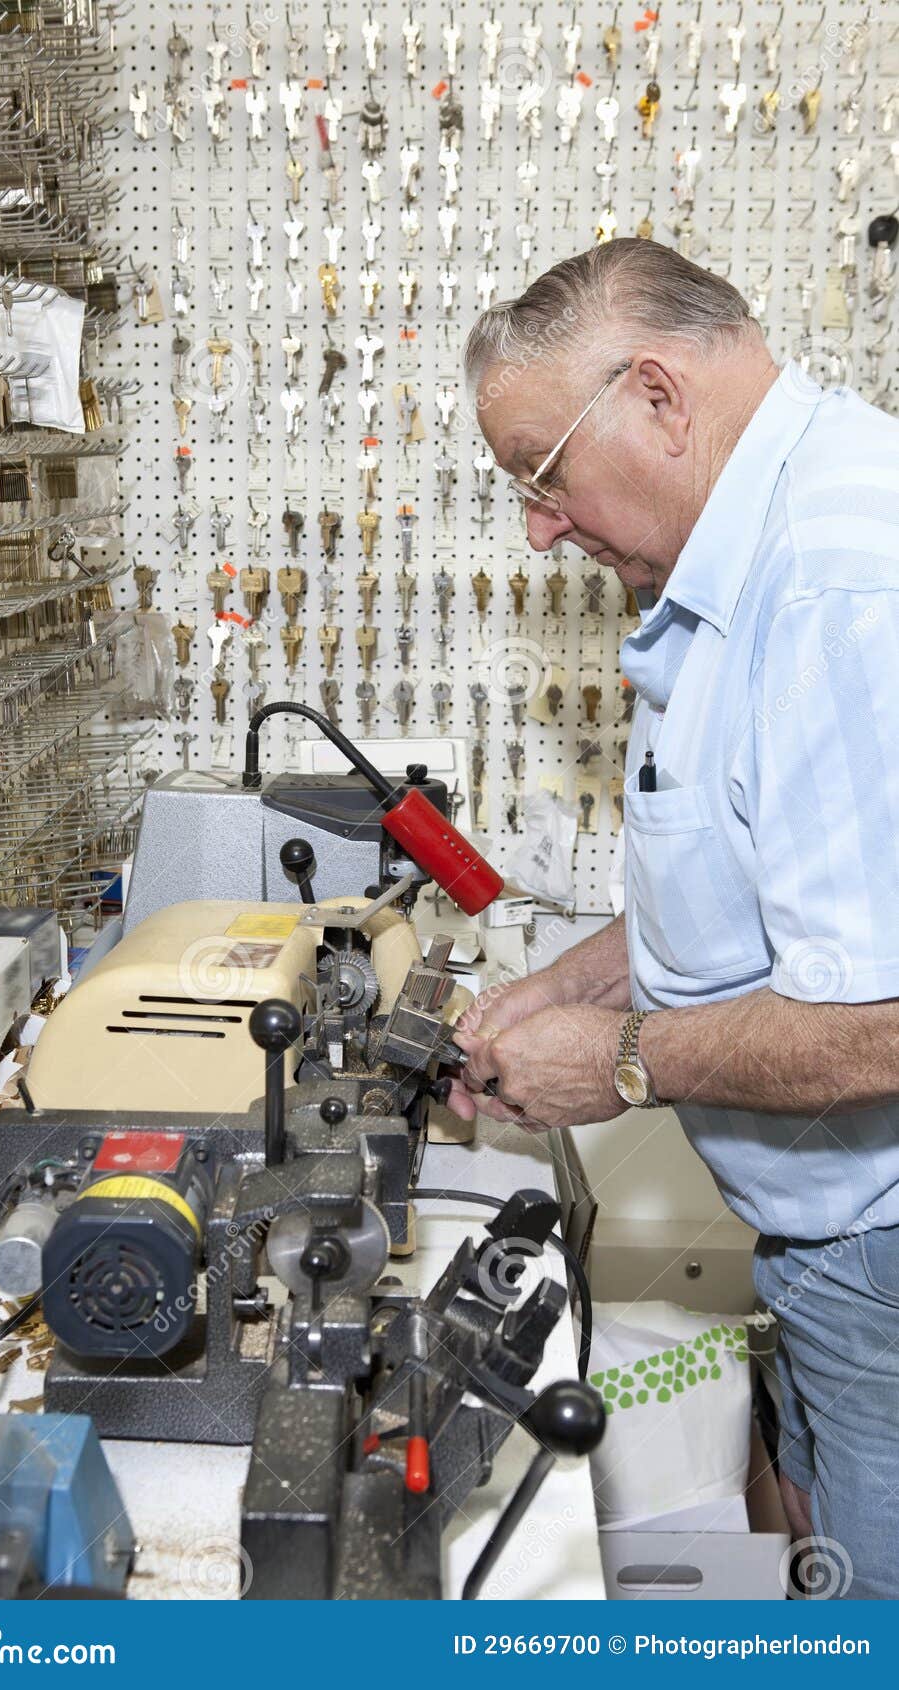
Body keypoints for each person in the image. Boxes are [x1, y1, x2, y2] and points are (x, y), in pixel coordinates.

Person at [450, 239, 899, 1599]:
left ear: (656, 394)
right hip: (832, 1255)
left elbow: (875, 1021)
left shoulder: (837, 584)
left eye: (540, 475)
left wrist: (626, 1059)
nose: (538, 526)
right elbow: (745, 894)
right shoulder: (733, 564)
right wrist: (558, 991)